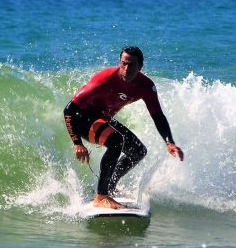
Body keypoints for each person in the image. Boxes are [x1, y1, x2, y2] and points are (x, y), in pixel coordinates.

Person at [63, 46, 184, 209]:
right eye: (123, 63)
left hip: (102, 119)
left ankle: (109, 185)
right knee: (115, 141)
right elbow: (69, 109)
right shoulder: (105, 79)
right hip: (82, 119)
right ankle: (101, 196)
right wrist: (77, 142)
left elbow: (157, 115)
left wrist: (169, 142)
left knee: (137, 151)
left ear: (140, 67)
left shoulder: (145, 86)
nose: (126, 69)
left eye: (131, 65)